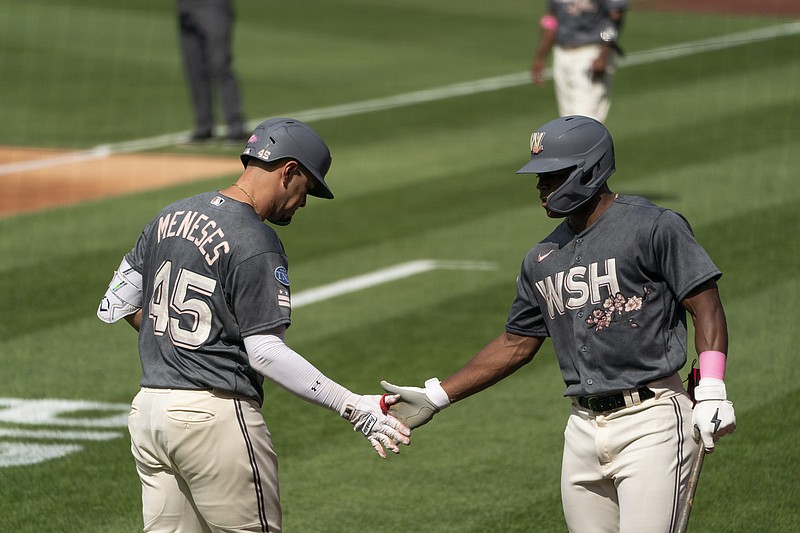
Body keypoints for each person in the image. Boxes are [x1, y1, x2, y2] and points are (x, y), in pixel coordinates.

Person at [382, 116, 736, 532]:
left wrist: (712, 389)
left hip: (652, 421)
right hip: (581, 430)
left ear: (590, 170)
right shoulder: (541, 258)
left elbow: (705, 305)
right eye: (539, 177)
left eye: (552, 176)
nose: (541, 187)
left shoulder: (653, 226)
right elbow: (516, 344)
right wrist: (437, 396)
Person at [98, 118, 411, 533]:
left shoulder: (169, 215)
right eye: (307, 188)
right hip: (213, 421)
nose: (303, 203)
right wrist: (353, 407)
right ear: (289, 171)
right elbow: (265, 352)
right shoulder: (255, 239)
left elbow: (117, 302)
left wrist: (182, 345)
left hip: (149, 414)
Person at [532, 0, 628, 123]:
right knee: (567, 120)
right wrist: (540, 57)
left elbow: (615, 17)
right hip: (561, 51)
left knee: (585, 120)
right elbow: (551, 18)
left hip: (591, 52)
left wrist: (603, 55)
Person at [177, 0, 247, 142]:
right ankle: (203, 126)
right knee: (194, 67)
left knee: (220, 65)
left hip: (212, 5)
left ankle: (235, 126)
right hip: (184, 6)